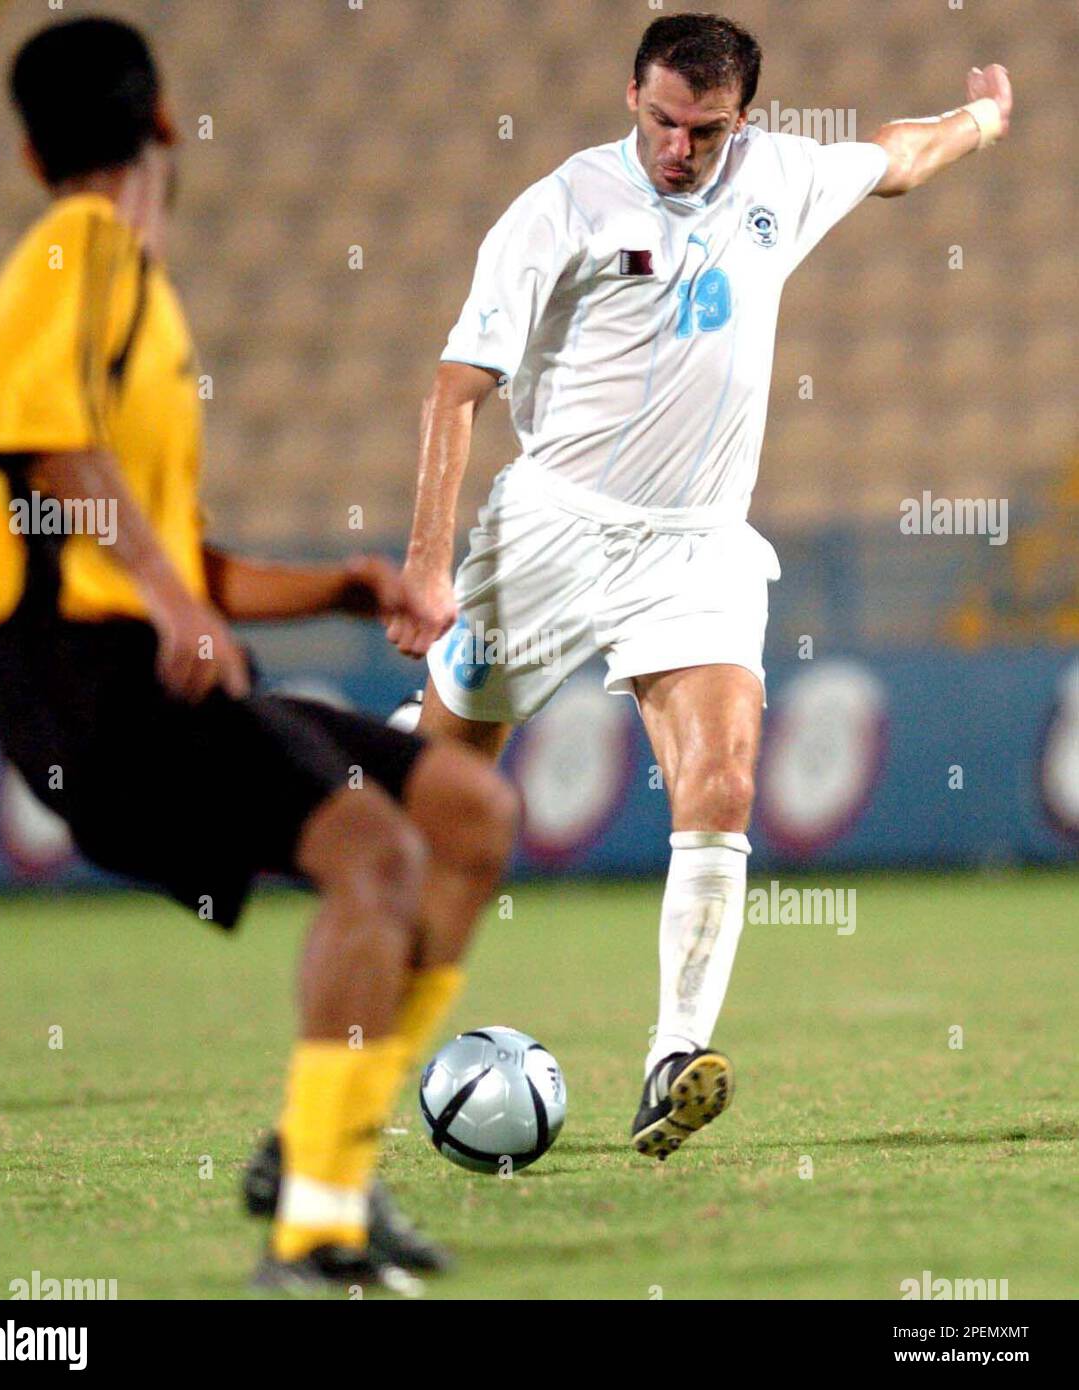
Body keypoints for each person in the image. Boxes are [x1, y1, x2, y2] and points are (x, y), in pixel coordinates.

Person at [383, 12, 1013, 1159]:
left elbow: (897, 158)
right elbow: (455, 390)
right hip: (548, 538)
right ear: (633, 95)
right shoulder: (561, 209)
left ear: (745, 120)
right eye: (664, 121)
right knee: (438, 804)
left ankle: (673, 1055)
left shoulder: (777, 178)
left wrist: (981, 119)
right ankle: (364, 1027)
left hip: (697, 545)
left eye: (706, 130)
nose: (681, 149)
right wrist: (427, 564)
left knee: (721, 780)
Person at [0, 16, 516, 1294]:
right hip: (81, 676)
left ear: (35, 143)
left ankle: (313, 1159)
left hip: (140, 653)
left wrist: (334, 584)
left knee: (467, 812)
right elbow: (51, 458)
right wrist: (168, 601)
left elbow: (183, 561)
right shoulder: (83, 246)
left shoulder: (128, 295)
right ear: (162, 122)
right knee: (379, 851)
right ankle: (314, 1230)